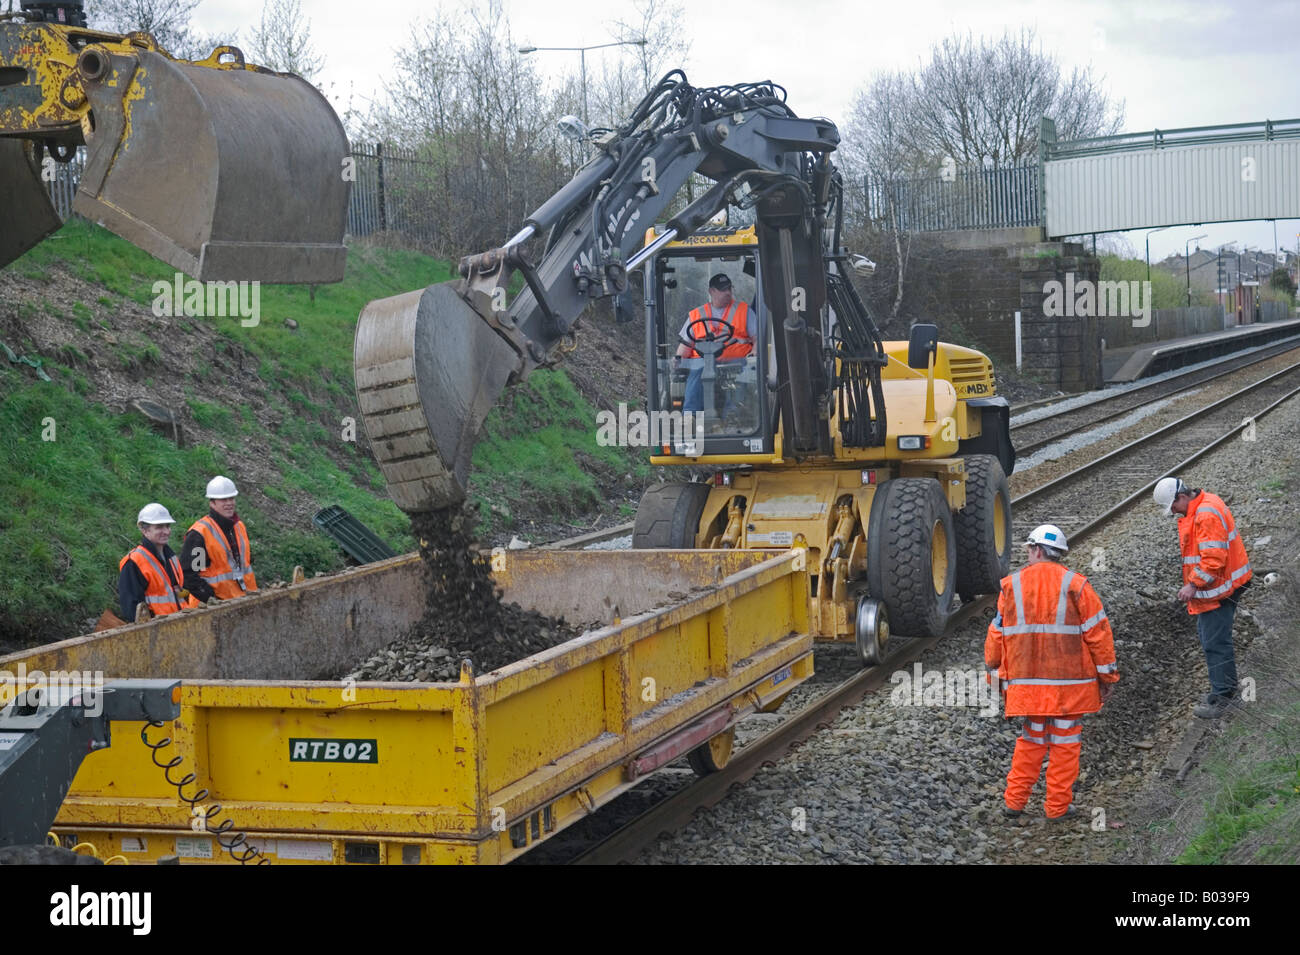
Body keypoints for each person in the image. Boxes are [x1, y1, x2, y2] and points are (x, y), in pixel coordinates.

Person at [985, 524, 1119, 820]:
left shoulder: (1012, 585)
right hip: (1069, 687)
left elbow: (997, 632)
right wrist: (1107, 677)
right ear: (1058, 554)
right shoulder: (1077, 585)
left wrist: (992, 667)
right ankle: (1056, 809)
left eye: (1029, 550)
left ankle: (1014, 803)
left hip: (1028, 686)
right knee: (1065, 744)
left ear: (1036, 550)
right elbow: (1099, 635)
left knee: (1031, 741)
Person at [1152, 477, 1252, 718]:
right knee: (1211, 638)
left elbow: (1213, 559)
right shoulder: (1207, 502)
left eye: (1173, 507)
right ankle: (1221, 690)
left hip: (1219, 590)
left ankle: (1225, 697)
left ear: (1182, 497)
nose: (1174, 512)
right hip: (1223, 585)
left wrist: (1192, 586)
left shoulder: (1205, 515)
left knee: (1215, 643)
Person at [674, 273, 754, 415]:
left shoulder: (744, 311)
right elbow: (686, 344)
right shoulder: (697, 314)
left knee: (743, 371)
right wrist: (678, 361)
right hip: (704, 361)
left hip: (735, 361)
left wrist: (754, 357)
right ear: (711, 291)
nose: (728, 292)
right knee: (696, 367)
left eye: (729, 288)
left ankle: (733, 416)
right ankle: (690, 415)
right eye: (723, 289)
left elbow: (757, 340)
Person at [118, 503, 199, 621]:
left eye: (167, 526)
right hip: (156, 631)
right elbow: (131, 609)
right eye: (159, 527)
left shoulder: (171, 558)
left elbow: (177, 594)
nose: (166, 531)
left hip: (179, 624)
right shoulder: (134, 562)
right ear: (145, 530)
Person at [182, 475, 258, 601]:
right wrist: (211, 599)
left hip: (244, 600)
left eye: (231, 498)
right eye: (223, 500)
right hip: (212, 609)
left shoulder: (239, 527)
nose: (229, 503)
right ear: (212, 503)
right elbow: (191, 575)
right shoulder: (200, 533)